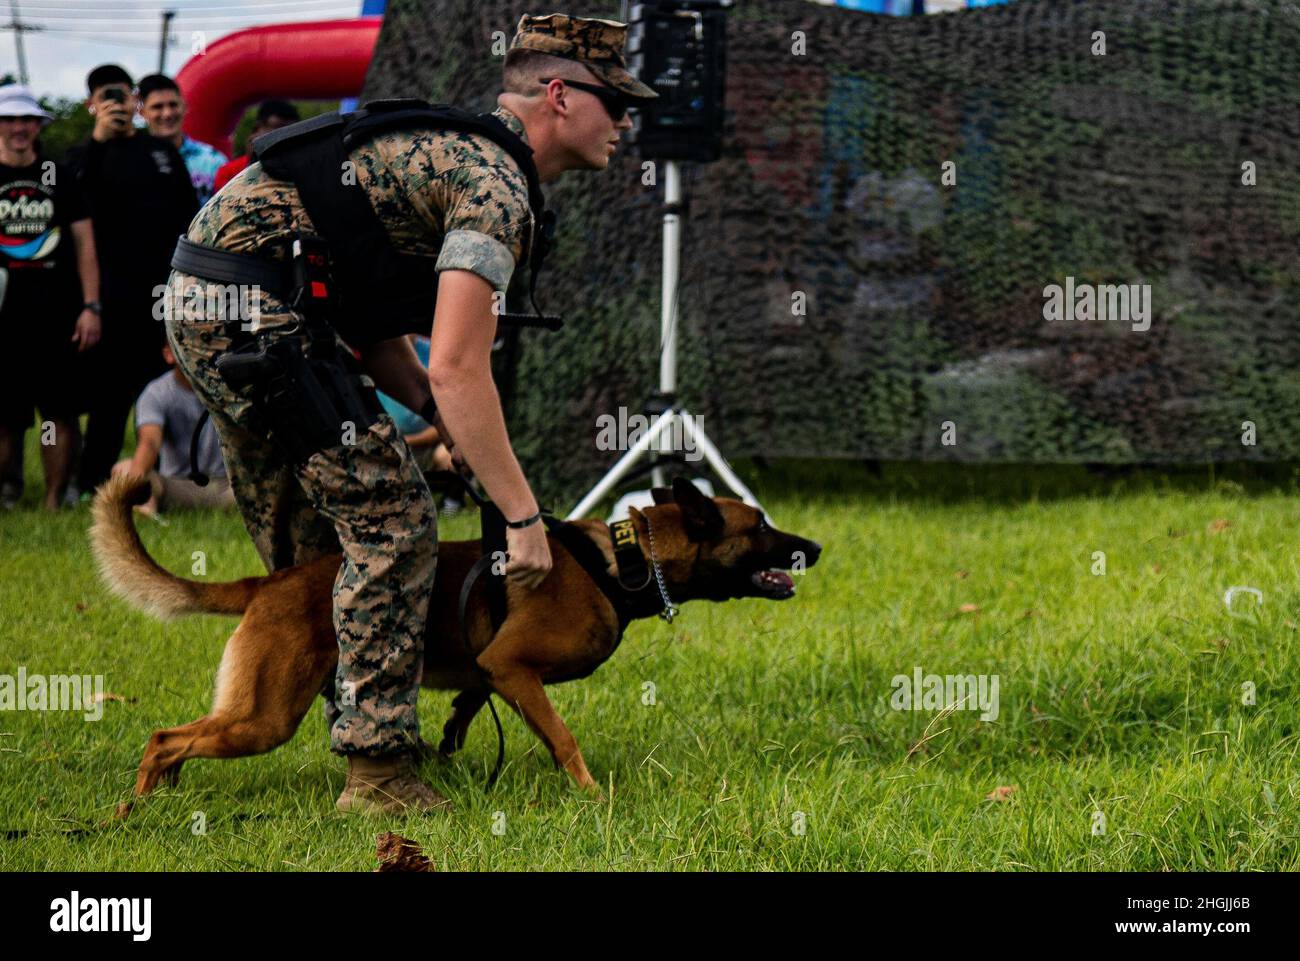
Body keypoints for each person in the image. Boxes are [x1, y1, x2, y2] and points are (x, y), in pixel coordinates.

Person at [162, 12, 656, 815]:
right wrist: (522, 516)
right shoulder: (495, 184)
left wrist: (435, 414)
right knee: (394, 521)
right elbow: (461, 367)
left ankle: (345, 712)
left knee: (314, 540)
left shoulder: (463, 155)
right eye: (617, 100)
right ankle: (378, 767)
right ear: (560, 96)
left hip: (221, 301)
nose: (627, 121)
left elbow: (383, 327)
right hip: (255, 312)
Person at [66, 65, 198, 503]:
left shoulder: (159, 153)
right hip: (109, 299)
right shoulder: (82, 155)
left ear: (134, 100)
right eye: (107, 97)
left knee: (166, 388)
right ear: (91, 105)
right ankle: (90, 484)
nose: (119, 105)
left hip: (162, 297)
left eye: (123, 96)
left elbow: (188, 220)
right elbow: (73, 206)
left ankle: (162, 484)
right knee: (108, 399)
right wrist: (100, 140)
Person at [0, 84, 102, 510]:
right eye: (10, 120)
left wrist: (91, 307)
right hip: (4, 317)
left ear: (39, 125)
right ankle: (7, 492)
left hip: (56, 315)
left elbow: (85, 246)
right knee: (4, 415)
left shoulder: (56, 176)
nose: (19, 128)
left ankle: (55, 498)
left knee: (57, 414)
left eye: (27, 120)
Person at [111, 342, 235, 514]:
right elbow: (149, 444)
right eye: (188, 347)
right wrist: (134, 488)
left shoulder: (231, 389)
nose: (197, 354)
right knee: (123, 469)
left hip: (227, 487)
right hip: (175, 486)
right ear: (169, 354)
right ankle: (142, 513)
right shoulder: (156, 392)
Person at [137, 74, 229, 207]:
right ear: (142, 112)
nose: (167, 113)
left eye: (173, 105)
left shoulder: (213, 160)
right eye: (158, 107)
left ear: (184, 107)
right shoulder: (134, 159)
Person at [213, 100, 300, 195]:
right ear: (257, 129)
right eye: (278, 128)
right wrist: (252, 163)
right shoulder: (228, 173)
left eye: (291, 130)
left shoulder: (301, 169)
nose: (285, 136)